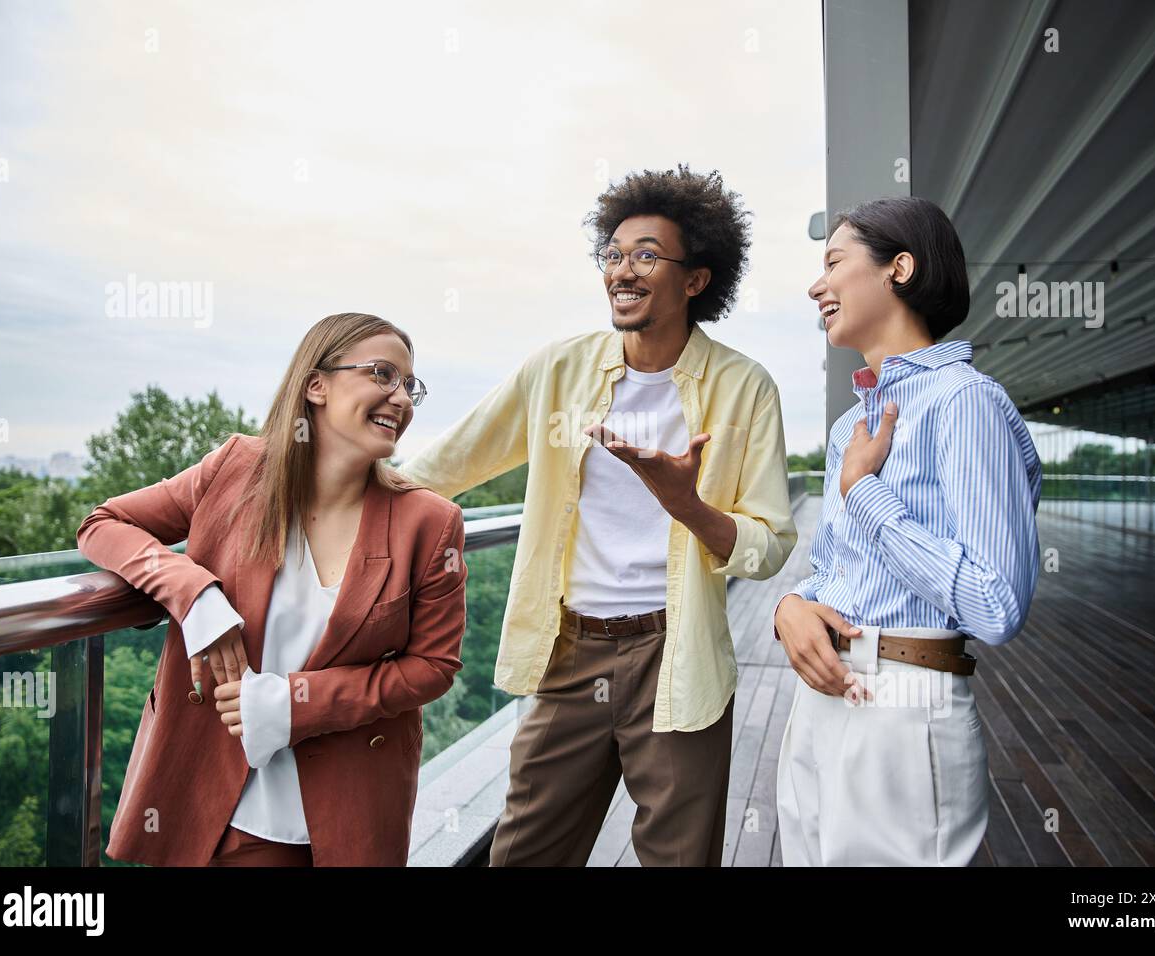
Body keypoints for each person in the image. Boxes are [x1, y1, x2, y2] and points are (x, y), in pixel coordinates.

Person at [397, 164, 796, 866]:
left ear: (695, 279)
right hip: (570, 655)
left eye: (646, 254)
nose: (623, 270)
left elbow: (768, 545)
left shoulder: (745, 389)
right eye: (613, 254)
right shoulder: (557, 371)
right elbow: (446, 466)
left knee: (681, 858)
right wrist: (323, 485)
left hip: (681, 656)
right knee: (526, 853)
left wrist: (688, 507)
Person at [76, 312, 466, 866]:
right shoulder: (235, 470)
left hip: (353, 809)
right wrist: (197, 594)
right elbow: (103, 524)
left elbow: (433, 666)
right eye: (382, 374)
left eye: (409, 386)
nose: (400, 398)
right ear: (317, 385)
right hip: (228, 807)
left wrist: (295, 705)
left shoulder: (430, 522)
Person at [773, 196, 1042, 866]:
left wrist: (866, 495)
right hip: (820, 698)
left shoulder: (965, 402)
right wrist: (790, 606)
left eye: (833, 261)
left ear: (899, 267)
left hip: (906, 704)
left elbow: (995, 603)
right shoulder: (849, 429)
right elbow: (836, 572)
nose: (817, 285)